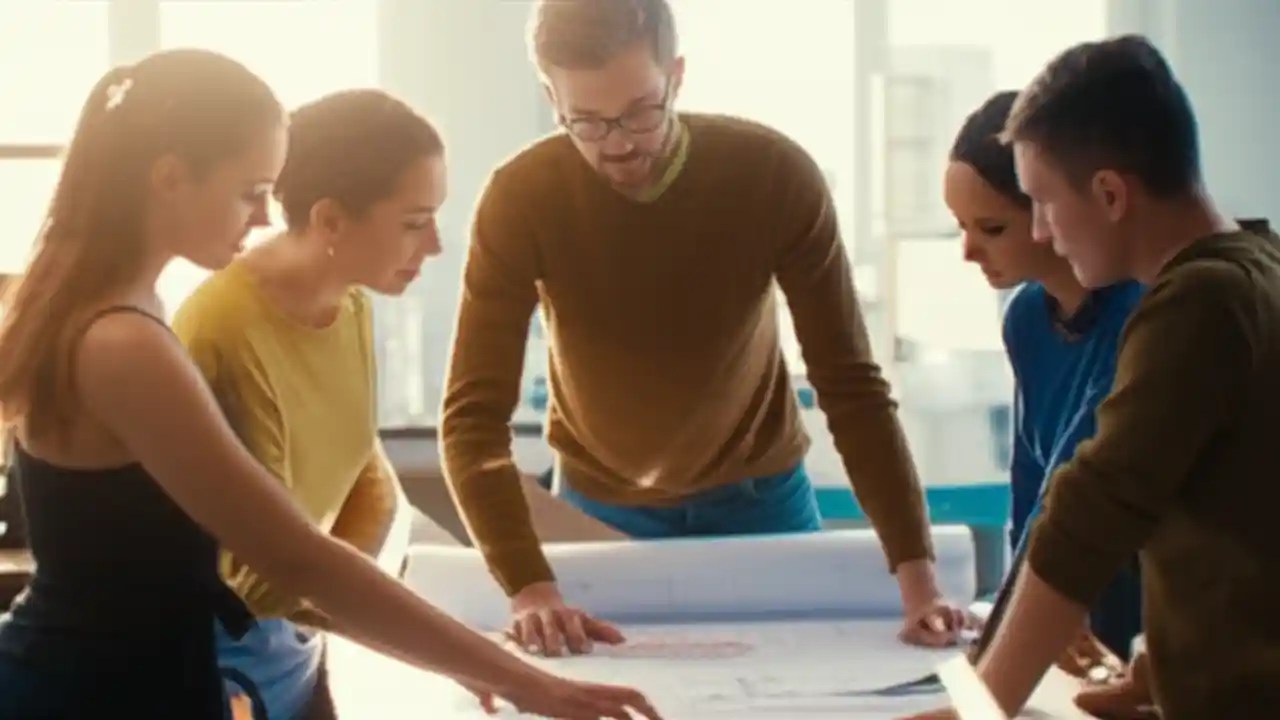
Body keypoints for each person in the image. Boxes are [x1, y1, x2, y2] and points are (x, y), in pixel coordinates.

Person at [0, 49, 661, 720]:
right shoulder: (125, 343)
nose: (263, 217)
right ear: (169, 178)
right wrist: (529, 683)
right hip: (84, 694)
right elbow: (295, 558)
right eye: (249, 192)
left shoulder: (122, 313)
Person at [440, 0, 963, 659]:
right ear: (551, 97)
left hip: (762, 500)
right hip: (593, 509)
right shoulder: (521, 199)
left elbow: (851, 386)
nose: (621, 143)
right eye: (588, 122)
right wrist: (527, 586)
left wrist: (919, 583)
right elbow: (471, 421)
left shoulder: (773, 176)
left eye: (640, 111)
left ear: (677, 75)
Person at [907, 34, 1280, 720]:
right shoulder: (1259, 268)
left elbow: (1089, 516)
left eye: (1043, 203)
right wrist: (1163, 664)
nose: (1043, 233)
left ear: (1110, 193)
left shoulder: (1199, 302)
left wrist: (980, 708)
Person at [171, 89, 444, 719]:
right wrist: (422, 637)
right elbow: (259, 571)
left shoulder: (352, 304)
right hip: (221, 657)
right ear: (329, 221)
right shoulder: (224, 327)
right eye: (412, 222)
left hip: (302, 633)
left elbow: (366, 484)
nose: (433, 244)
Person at [945, 90, 1144, 662]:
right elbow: (1031, 480)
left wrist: (1005, 637)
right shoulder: (1027, 317)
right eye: (960, 226)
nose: (969, 251)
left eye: (991, 228)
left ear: (1044, 206)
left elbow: (1073, 494)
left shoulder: (1142, 312)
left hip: (1146, 620)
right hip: (1065, 627)